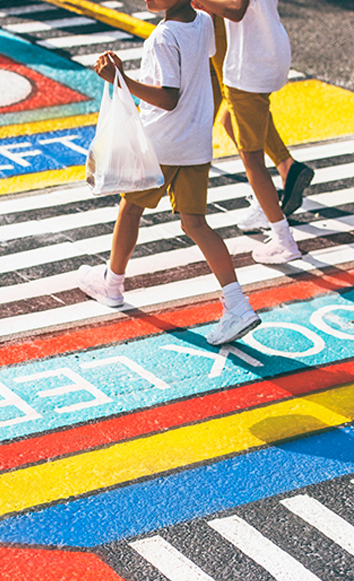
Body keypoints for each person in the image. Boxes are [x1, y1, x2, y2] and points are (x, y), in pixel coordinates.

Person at [77, 0, 261, 345]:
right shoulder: (205, 21)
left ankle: (112, 285)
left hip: (162, 144)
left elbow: (168, 97)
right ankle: (237, 304)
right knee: (196, 223)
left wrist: (121, 79)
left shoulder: (161, 37)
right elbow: (203, 72)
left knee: (130, 209)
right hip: (195, 142)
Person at [193, 0, 302, 263]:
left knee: (252, 160)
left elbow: (235, 9)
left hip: (249, 64)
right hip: (269, 50)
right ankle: (265, 203)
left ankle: (283, 239)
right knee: (229, 122)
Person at [203, 14, 313, 232]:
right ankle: (283, 169)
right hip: (224, 20)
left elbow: (237, 7)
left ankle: (275, 187)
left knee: (235, 100)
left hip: (218, 17)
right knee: (225, 102)